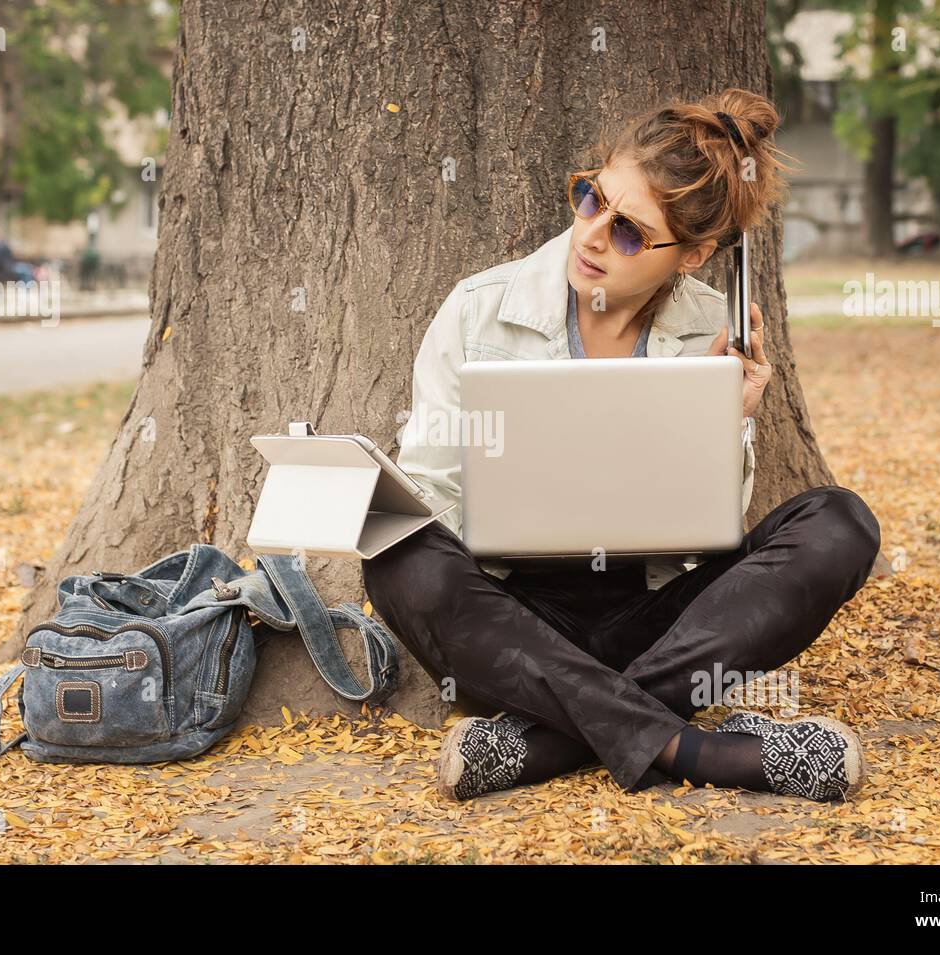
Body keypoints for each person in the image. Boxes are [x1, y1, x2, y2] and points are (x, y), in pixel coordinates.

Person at [361, 89, 882, 803]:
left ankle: (549, 739)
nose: (594, 235)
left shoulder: (710, 331)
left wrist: (728, 418)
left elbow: (709, 529)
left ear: (692, 254)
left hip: (658, 620)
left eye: (631, 231)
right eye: (590, 199)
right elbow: (429, 496)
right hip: (516, 618)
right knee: (396, 553)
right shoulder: (478, 309)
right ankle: (705, 750)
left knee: (841, 523)